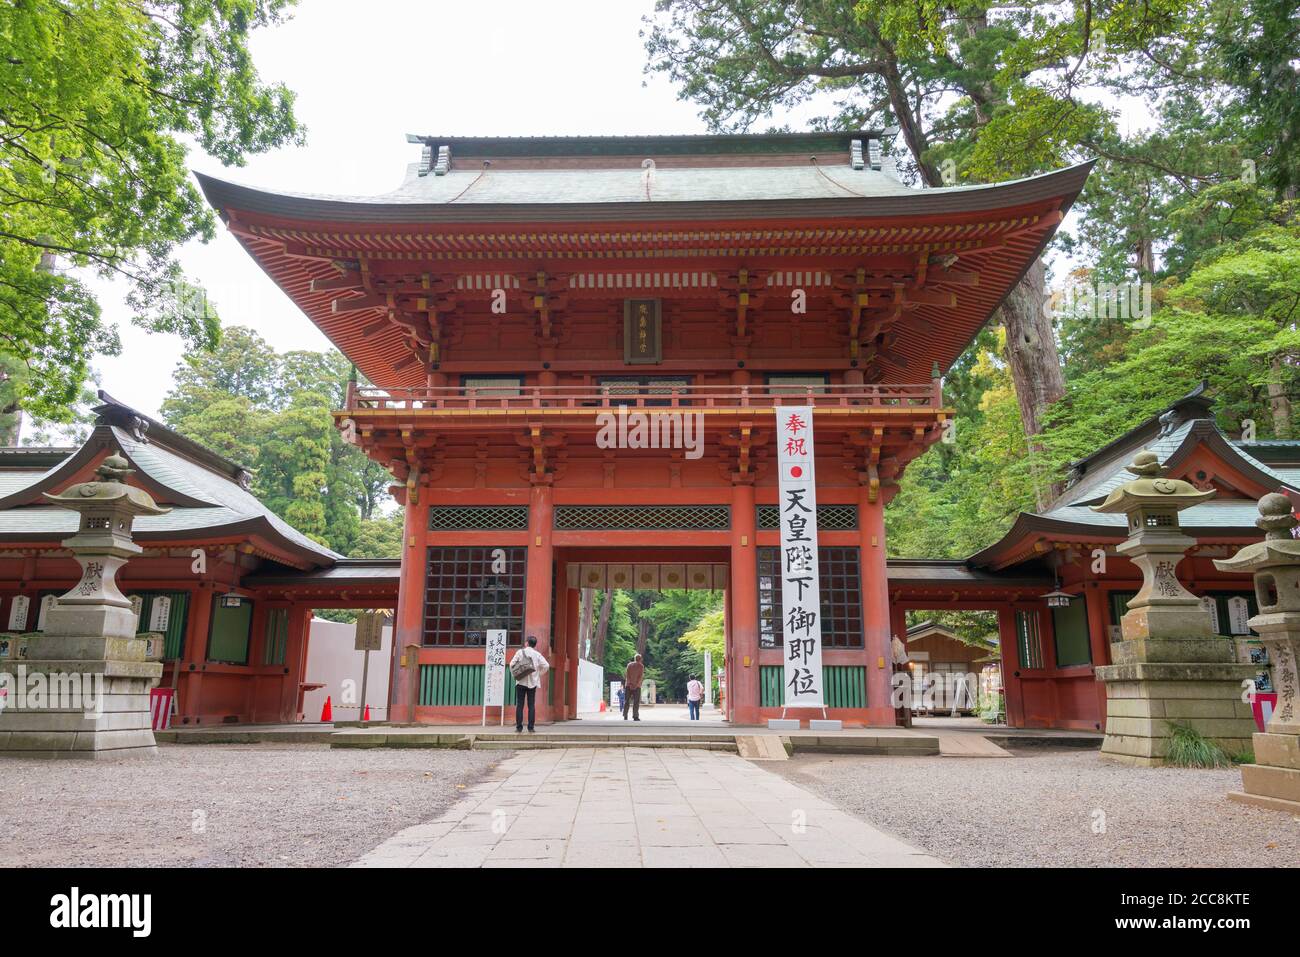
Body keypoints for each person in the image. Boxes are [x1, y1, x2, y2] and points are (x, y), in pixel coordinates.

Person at [510, 636, 549, 733]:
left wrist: (515, 674)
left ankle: (519, 727)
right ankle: (531, 728)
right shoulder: (537, 654)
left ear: (527, 643)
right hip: (533, 683)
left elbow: (511, 664)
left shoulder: (520, 652)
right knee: (531, 705)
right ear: (534, 645)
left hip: (521, 681)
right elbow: (546, 665)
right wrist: (538, 674)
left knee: (520, 705)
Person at [622, 653, 644, 721]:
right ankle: (635, 716)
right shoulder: (641, 666)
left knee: (627, 701)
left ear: (635, 659)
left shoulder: (629, 665)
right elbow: (640, 677)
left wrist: (630, 684)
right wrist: (636, 685)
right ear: (640, 659)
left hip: (628, 685)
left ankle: (625, 715)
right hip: (637, 687)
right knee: (636, 702)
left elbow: (627, 675)